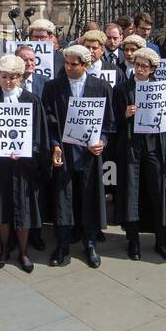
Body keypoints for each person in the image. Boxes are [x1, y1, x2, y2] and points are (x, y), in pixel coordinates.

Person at [0, 54, 50, 272]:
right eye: (4, 77)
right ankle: (4, 249)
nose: (8, 81)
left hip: (22, 166)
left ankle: (24, 251)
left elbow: (39, 134)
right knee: (2, 207)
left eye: (12, 77)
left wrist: (29, 152)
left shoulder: (31, 100)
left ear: (20, 77)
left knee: (23, 208)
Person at [43, 44, 114, 268]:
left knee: (89, 197)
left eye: (74, 64)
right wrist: (54, 146)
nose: (69, 68)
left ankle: (90, 243)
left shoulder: (101, 87)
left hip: (89, 154)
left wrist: (102, 141)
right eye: (66, 63)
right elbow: (48, 121)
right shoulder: (53, 87)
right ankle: (62, 244)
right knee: (63, 198)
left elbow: (109, 122)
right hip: (64, 151)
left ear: (86, 65)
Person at [114, 48, 166, 261]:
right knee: (131, 192)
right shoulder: (122, 89)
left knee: (158, 193)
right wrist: (125, 114)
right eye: (137, 65)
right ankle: (133, 241)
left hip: (154, 146)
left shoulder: (162, 88)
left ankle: (161, 241)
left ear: (153, 69)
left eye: (144, 66)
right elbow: (113, 121)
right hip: (131, 146)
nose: (139, 69)